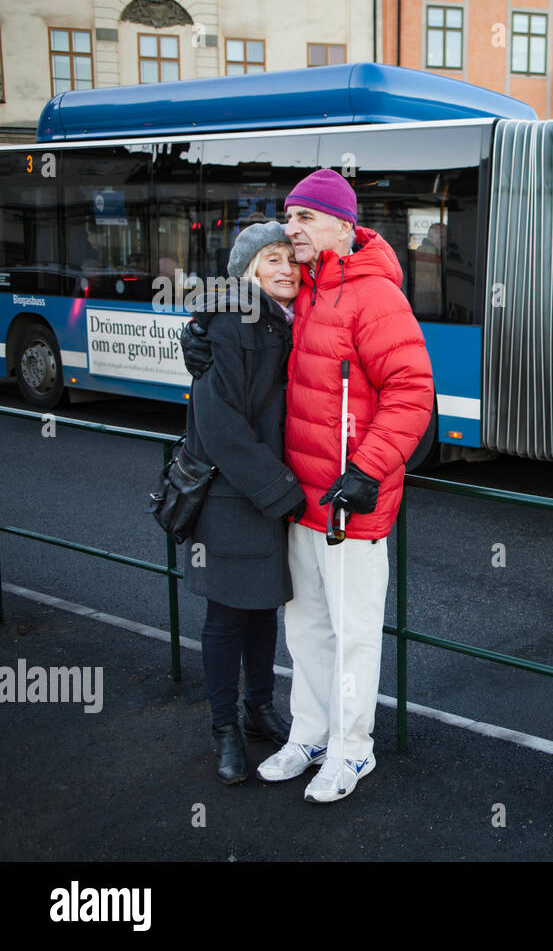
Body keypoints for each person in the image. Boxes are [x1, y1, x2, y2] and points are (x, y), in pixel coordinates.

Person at [184, 169, 434, 803]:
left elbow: (412, 391)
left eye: (304, 219)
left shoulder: (375, 296)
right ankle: (311, 734)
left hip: (351, 502)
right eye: (288, 218)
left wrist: (368, 470)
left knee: (351, 634)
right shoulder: (310, 290)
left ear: (343, 227)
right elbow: (249, 321)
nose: (290, 229)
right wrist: (202, 330)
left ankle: (353, 750)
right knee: (307, 630)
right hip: (303, 501)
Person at [182, 222, 307, 784]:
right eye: (272, 259)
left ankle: (258, 709)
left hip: (263, 491)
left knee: (262, 609)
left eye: (291, 259)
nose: (286, 269)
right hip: (235, 493)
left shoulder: (278, 319)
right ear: (248, 269)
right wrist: (279, 490)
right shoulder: (237, 319)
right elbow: (219, 423)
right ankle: (224, 727)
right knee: (227, 617)